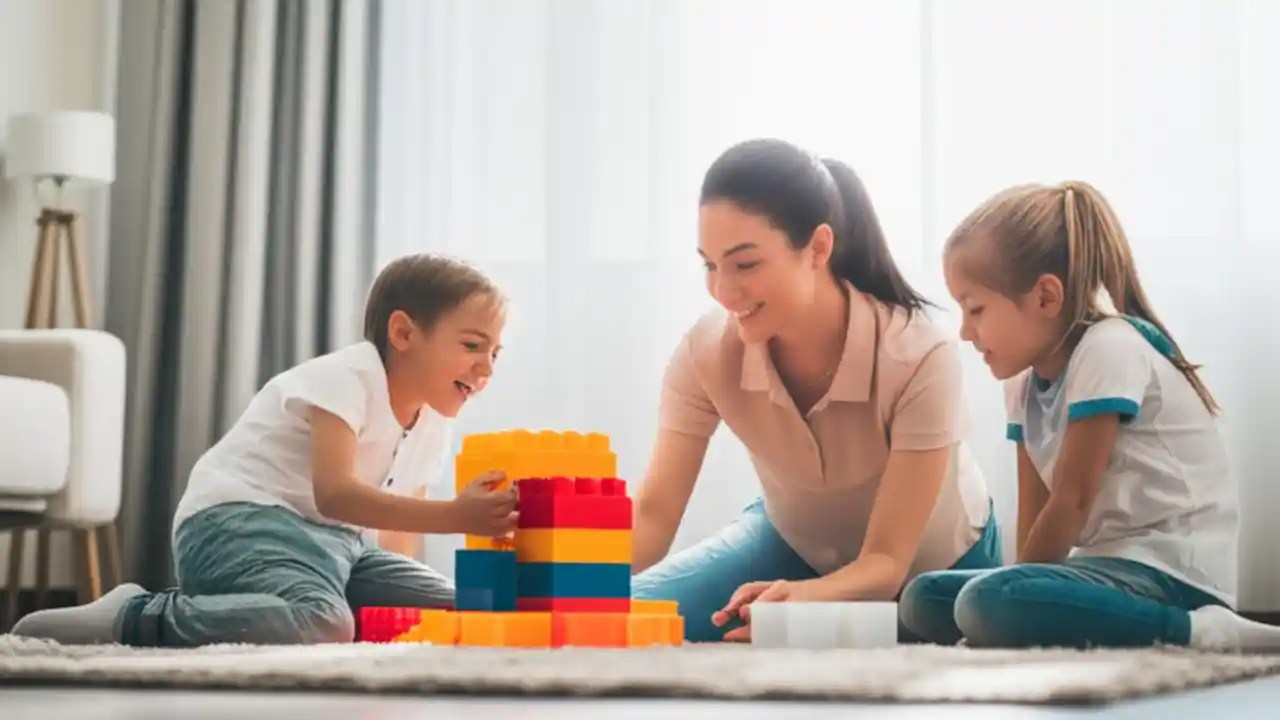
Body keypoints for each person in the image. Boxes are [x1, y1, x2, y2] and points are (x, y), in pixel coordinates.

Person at [15, 254, 517, 646]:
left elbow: (398, 529)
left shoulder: (433, 419)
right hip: (239, 525)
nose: (487, 367)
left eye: (495, 352)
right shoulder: (346, 378)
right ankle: (136, 615)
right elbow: (336, 496)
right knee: (322, 622)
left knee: (467, 606)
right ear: (404, 333)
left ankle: (312, 604)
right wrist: (457, 515)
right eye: (472, 345)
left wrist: (406, 592)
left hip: (338, 549)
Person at [631, 138, 1000, 642]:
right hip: (794, 547)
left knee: (855, 631)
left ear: (818, 249)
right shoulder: (705, 352)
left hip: (929, 570)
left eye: (745, 264)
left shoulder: (917, 355)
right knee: (624, 615)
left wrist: (798, 606)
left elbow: (886, 563)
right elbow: (655, 513)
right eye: (710, 265)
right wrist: (563, 599)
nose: (723, 290)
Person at [900, 180, 1280, 652]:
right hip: (1101, 566)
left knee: (988, 601)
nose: (964, 331)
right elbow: (1035, 511)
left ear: (1045, 297)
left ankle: (1200, 631)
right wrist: (1020, 590)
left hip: (1172, 571)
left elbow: (1072, 500)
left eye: (975, 309)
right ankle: (1012, 612)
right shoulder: (1021, 383)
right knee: (923, 598)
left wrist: (1012, 597)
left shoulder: (1109, 347)